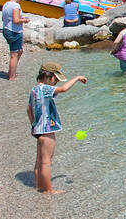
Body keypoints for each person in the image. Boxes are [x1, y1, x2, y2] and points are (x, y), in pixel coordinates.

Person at [27, 62, 86, 194]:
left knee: (39, 161)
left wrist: (33, 126)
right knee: (47, 162)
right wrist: (76, 78)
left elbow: (29, 109)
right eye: (56, 80)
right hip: (47, 130)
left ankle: (39, 186)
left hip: (38, 130)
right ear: (51, 77)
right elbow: (64, 89)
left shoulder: (34, 90)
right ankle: (48, 190)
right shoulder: (45, 88)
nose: (55, 83)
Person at [2, 0, 26, 80]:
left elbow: (3, 18)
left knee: (20, 51)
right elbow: (16, 20)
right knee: (14, 54)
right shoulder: (16, 6)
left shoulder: (6, 4)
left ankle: (11, 72)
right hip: (14, 31)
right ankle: (11, 77)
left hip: (6, 29)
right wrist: (25, 20)